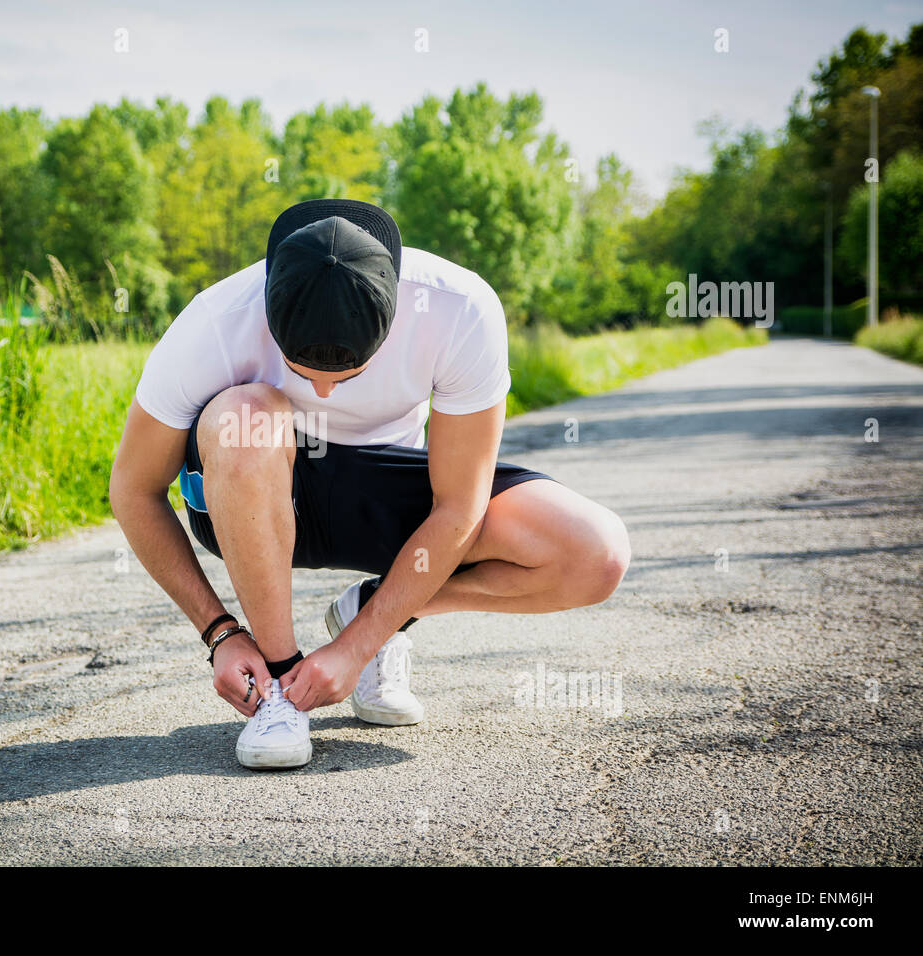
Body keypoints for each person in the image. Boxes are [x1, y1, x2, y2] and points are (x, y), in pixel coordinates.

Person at [108, 199, 630, 769]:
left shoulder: (460, 308)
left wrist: (360, 642)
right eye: (306, 375)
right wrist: (220, 633)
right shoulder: (213, 321)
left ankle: (374, 609)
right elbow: (134, 490)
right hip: (251, 491)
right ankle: (283, 688)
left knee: (594, 554)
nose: (326, 394)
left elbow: (459, 506)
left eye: (349, 374)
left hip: (392, 498)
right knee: (248, 413)